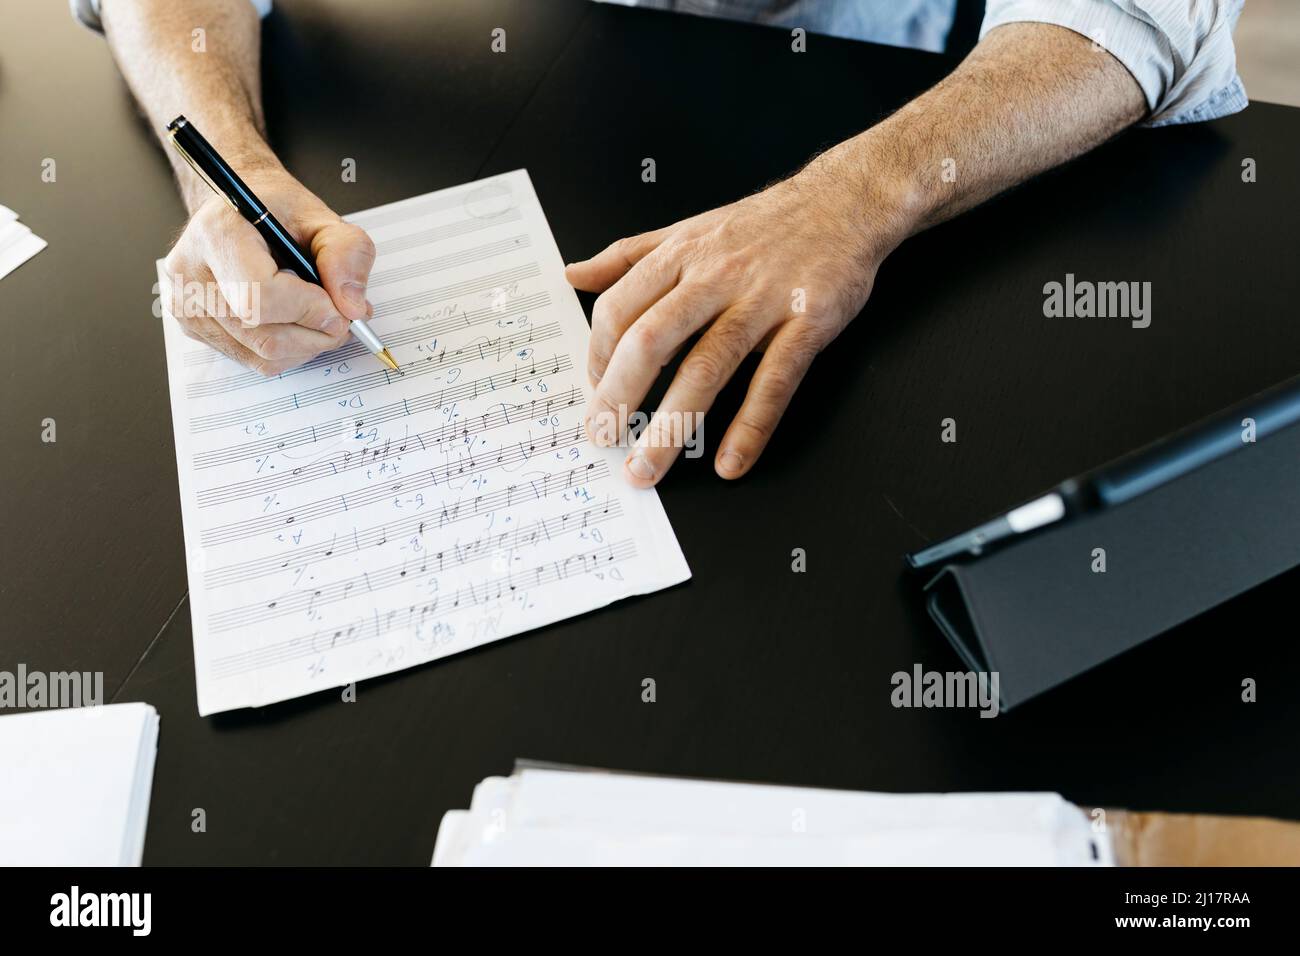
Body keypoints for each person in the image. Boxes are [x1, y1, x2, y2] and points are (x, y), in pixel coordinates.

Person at [73, 0, 1246, 486]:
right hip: (568, 83)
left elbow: (1134, 14)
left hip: (907, 96)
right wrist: (222, 171)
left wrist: (853, 197)